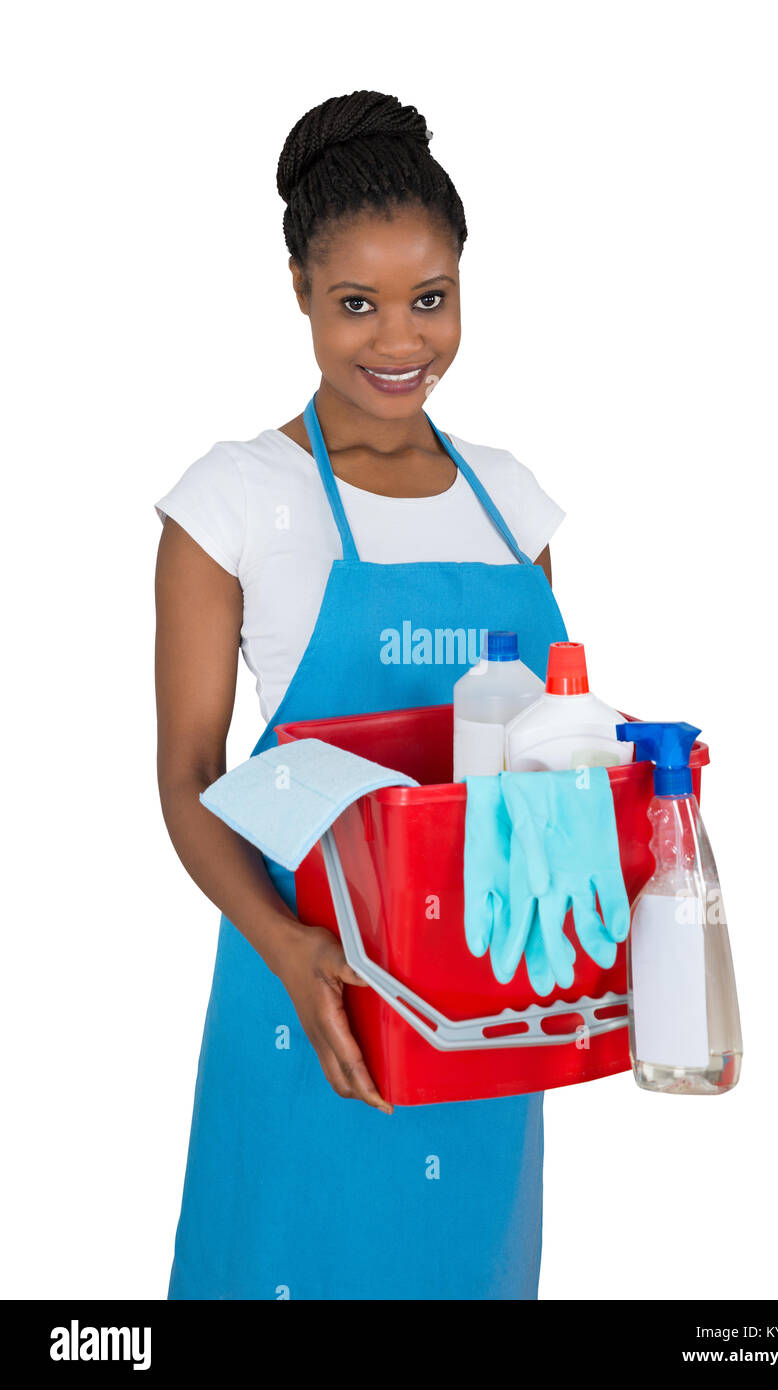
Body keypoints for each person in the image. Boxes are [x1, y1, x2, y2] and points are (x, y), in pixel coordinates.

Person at [154, 88, 569, 1301]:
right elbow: (189, 777)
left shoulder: (512, 502)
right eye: (358, 304)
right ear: (299, 291)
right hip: (306, 997)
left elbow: (555, 753)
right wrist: (289, 951)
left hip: (491, 1005)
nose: (401, 341)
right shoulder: (232, 500)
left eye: (429, 299)